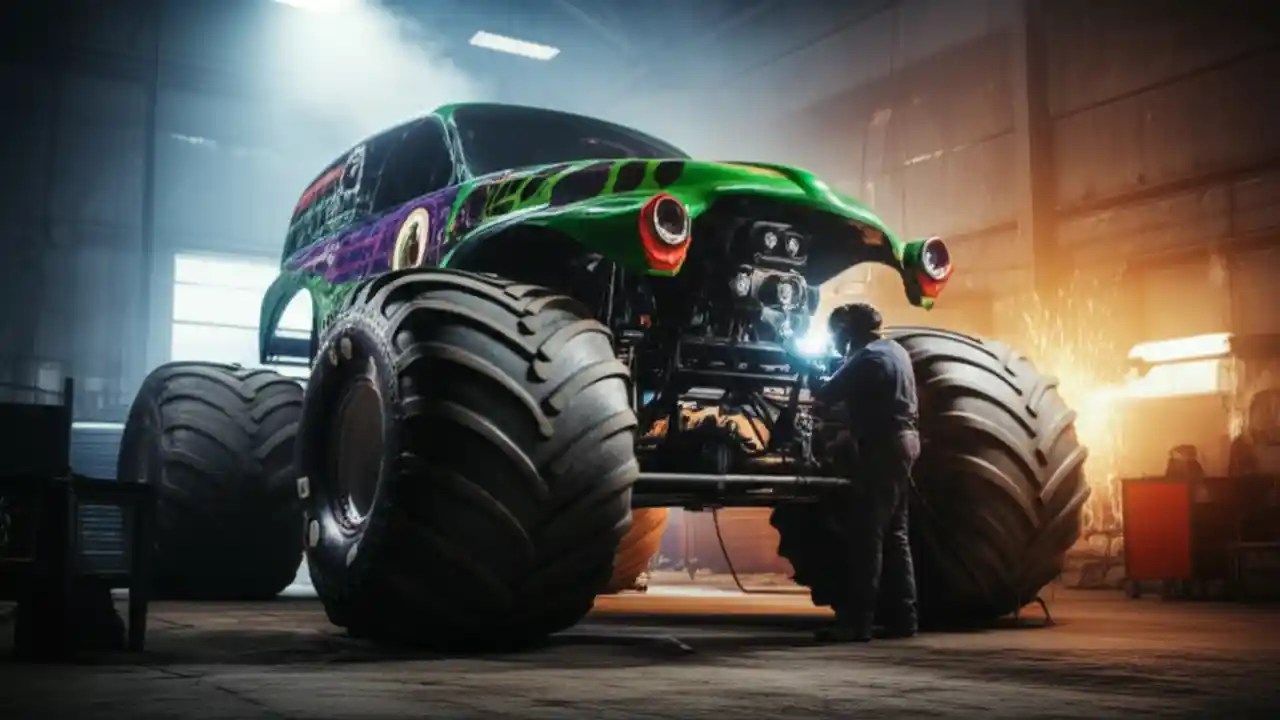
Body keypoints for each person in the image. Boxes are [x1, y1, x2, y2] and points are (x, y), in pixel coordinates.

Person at [812, 301, 921, 642]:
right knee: (896, 534)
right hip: (907, 442)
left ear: (847, 333)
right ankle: (905, 618)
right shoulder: (896, 350)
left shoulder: (866, 358)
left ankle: (857, 623)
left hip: (882, 447)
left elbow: (826, 392)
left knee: (866, 536)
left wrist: (804, 367)